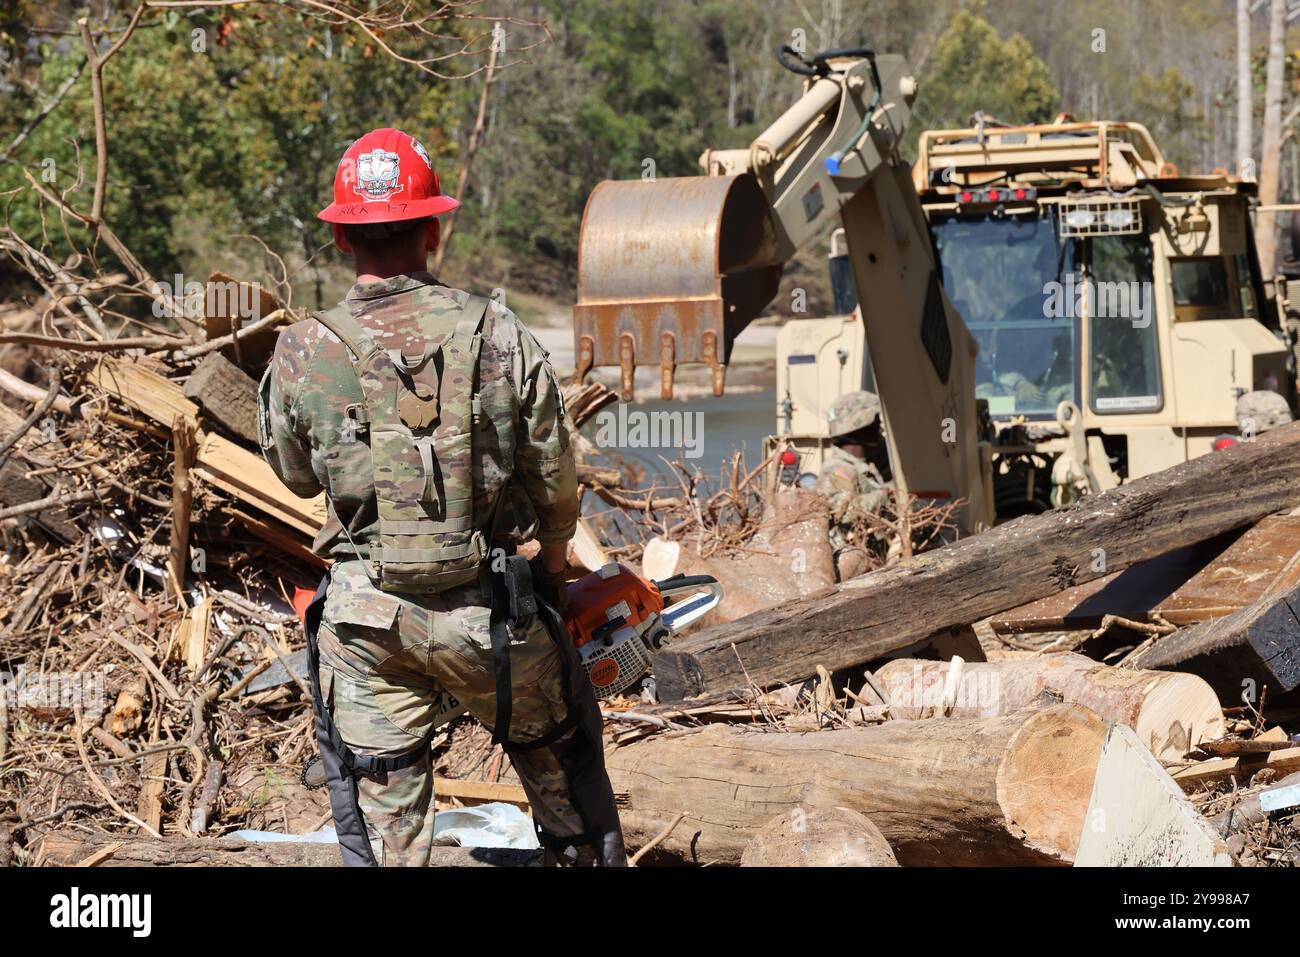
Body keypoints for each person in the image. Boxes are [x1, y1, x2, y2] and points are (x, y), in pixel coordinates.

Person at [257, 128, 625, 866]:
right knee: (567, 781)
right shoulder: (500, 332)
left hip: (367, 629)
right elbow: (554, 471)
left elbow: (294, 476)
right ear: (432, 230)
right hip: (493, 614)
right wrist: (554, 564)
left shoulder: (303, 347)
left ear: (340, 241)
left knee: (388, 837)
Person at [816, 390, 894, 580]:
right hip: (854, 565)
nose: (880, 429)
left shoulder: (863, 465)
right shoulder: (839, 470)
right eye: (876, 423)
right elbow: (847, 513)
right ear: (862, 426)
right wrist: (886, 494)